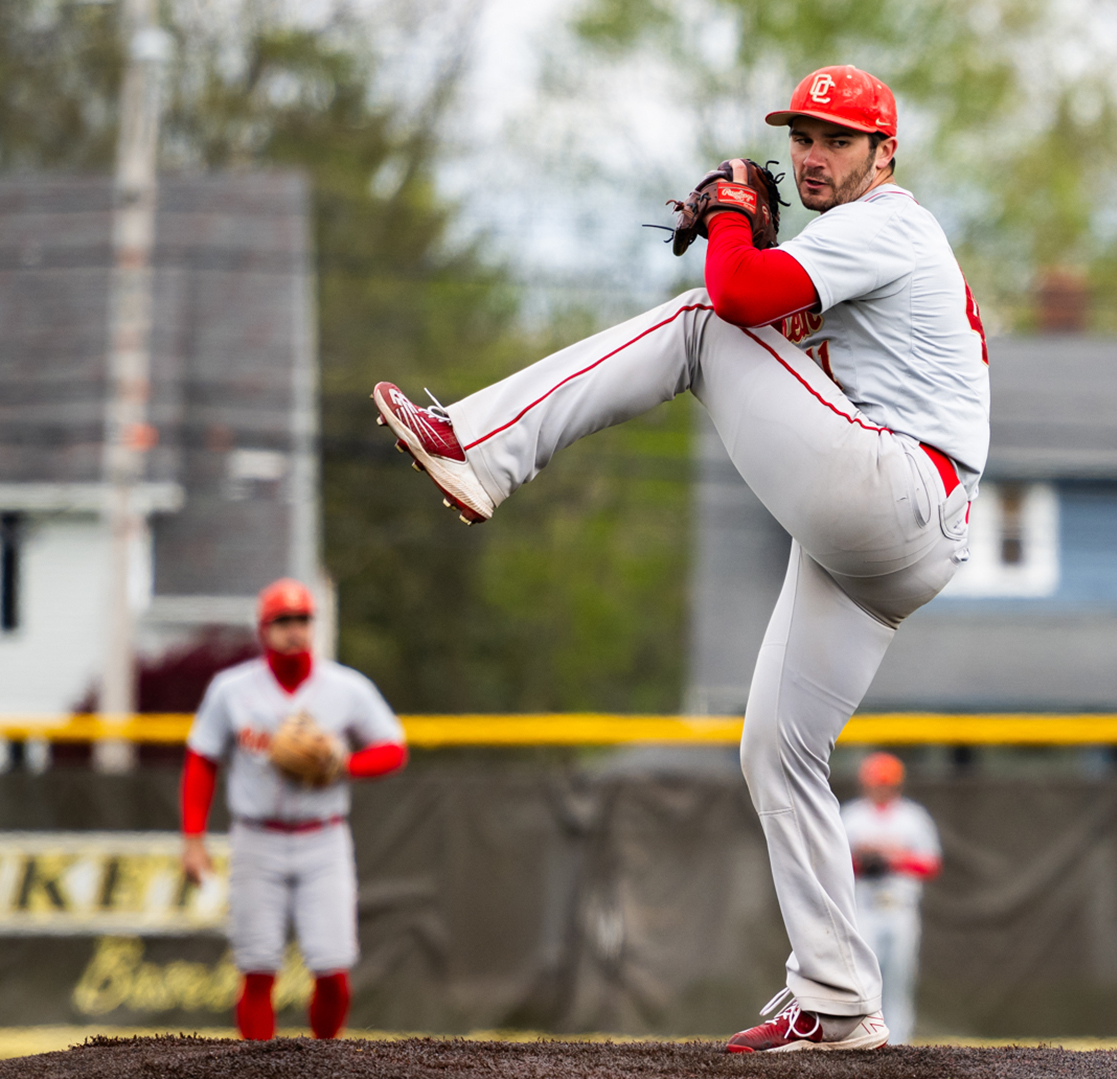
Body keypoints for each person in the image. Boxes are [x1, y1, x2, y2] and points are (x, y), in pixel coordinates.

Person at [370, 63, 987, 1052]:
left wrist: (734, 221)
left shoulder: (891, 224)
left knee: (696, 321)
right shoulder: (857, 245)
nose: (810, 154)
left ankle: (479, 446)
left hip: (899, 488)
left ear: (886, 154)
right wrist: (744, 235)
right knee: (776, 747)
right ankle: (836, 994)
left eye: (836, 138)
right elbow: (780, 319)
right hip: (903, 529)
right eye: (801, 135)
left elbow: (735, 294)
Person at [180, 578, 408, 1040]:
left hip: (322, 838)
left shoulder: (345, 688)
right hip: (256, 839)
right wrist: (193, 838)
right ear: (263, 629)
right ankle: (258, 1072)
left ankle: (325, 1065)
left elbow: (393, 748)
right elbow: (201, 759)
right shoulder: (232, 689)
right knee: (258, 969)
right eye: (282, 620)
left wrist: (347, 763)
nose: (294, 630)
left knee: (333, 973)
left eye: (302, 619)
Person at [841, 751, 941, 1044]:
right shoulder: (851, 816)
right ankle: (860, 1041)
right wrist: (864, 862)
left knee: (898, 983)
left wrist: (893, 861)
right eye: (876, 781)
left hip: (900, 907)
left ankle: (898, 1045)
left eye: (887, 782)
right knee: (861, 984)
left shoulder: (912, 817)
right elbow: (833, 863)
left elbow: (931, 863)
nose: (881, 787)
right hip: (864, 909)